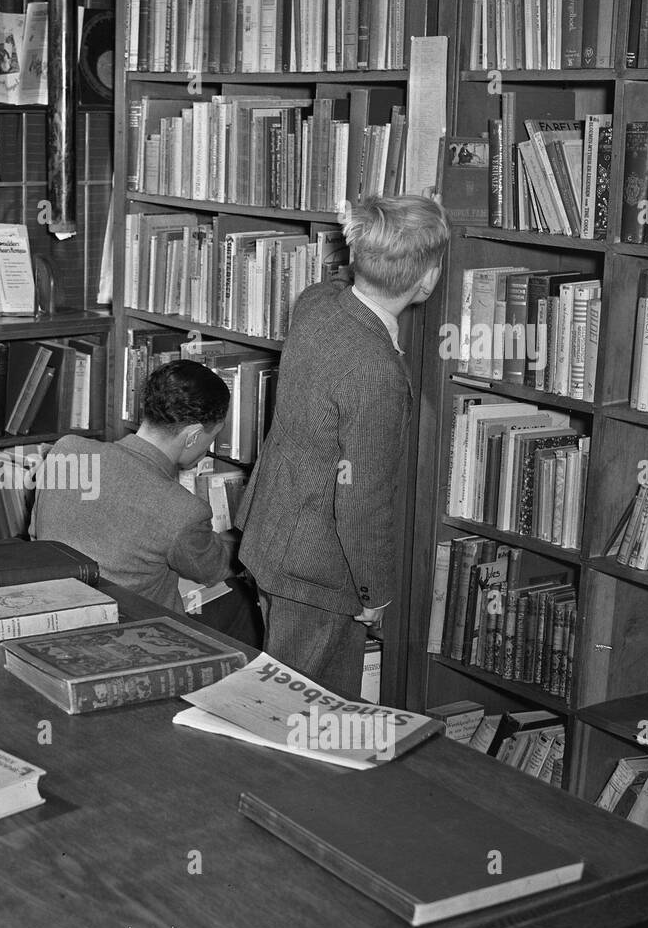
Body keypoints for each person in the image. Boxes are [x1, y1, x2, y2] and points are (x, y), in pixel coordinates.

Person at [236, 194, 450, 699]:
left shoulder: (316, 301)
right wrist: (373, 589)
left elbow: (342, 284)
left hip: (271, 535)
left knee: (279, 695)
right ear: (427, 281)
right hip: (319, 569)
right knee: (305, 715)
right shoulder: (376, 371)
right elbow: (364, 497)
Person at [30, 360, 260, 644]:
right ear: (193, 436)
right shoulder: (183, 511)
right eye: (212, 437)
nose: (209, 447)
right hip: (131, 640)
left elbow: (35, 536)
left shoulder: (67, 450)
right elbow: (214, 568)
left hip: (51, 619)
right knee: (246, 595)